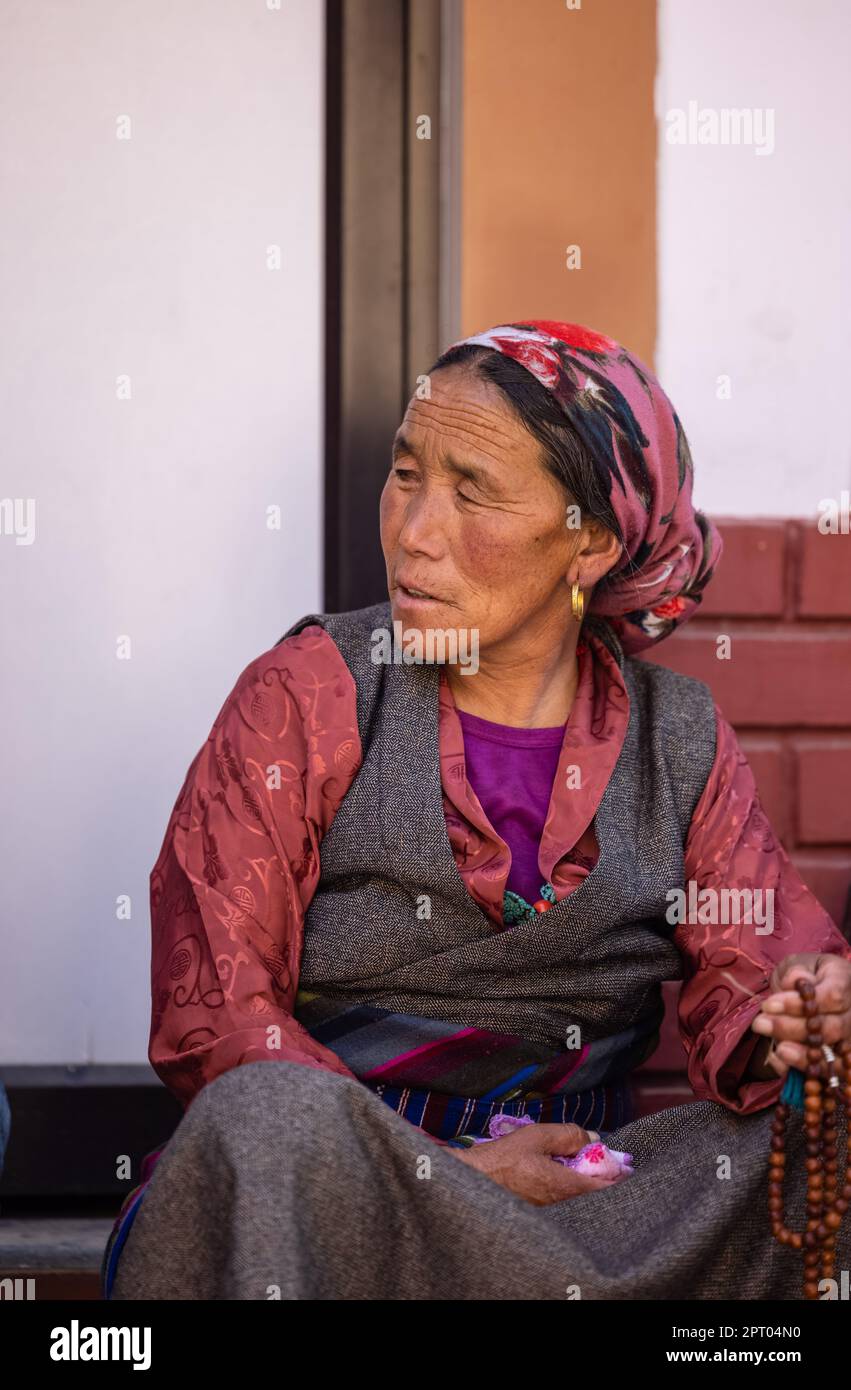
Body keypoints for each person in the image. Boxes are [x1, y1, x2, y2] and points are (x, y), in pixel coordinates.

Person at [104, 320, 851, 1300]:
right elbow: (219, 1015)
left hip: (574, 1200)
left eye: (470, 491)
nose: (413, 529)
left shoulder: (677, 737)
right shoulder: (311, 692)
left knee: (818, 1126)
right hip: (327, 1203)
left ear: (587, 540)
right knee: (264, 1117)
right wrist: (433, 1175)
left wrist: (797, 1019)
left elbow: (758, 972)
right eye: (405, 474)